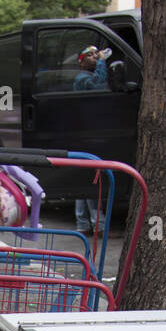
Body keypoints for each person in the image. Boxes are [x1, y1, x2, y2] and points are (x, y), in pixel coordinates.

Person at [73, 45, 112, 238]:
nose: (95, 57)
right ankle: (99, 226)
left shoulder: (82, 78)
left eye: (97, 54)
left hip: (84, 132)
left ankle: (83, 224)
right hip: (88, 135)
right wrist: (103, 62)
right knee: (92, 180)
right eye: (91, 55)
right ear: (81, 61)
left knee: (84, 181)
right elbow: (99, 84)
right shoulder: (83, 79)